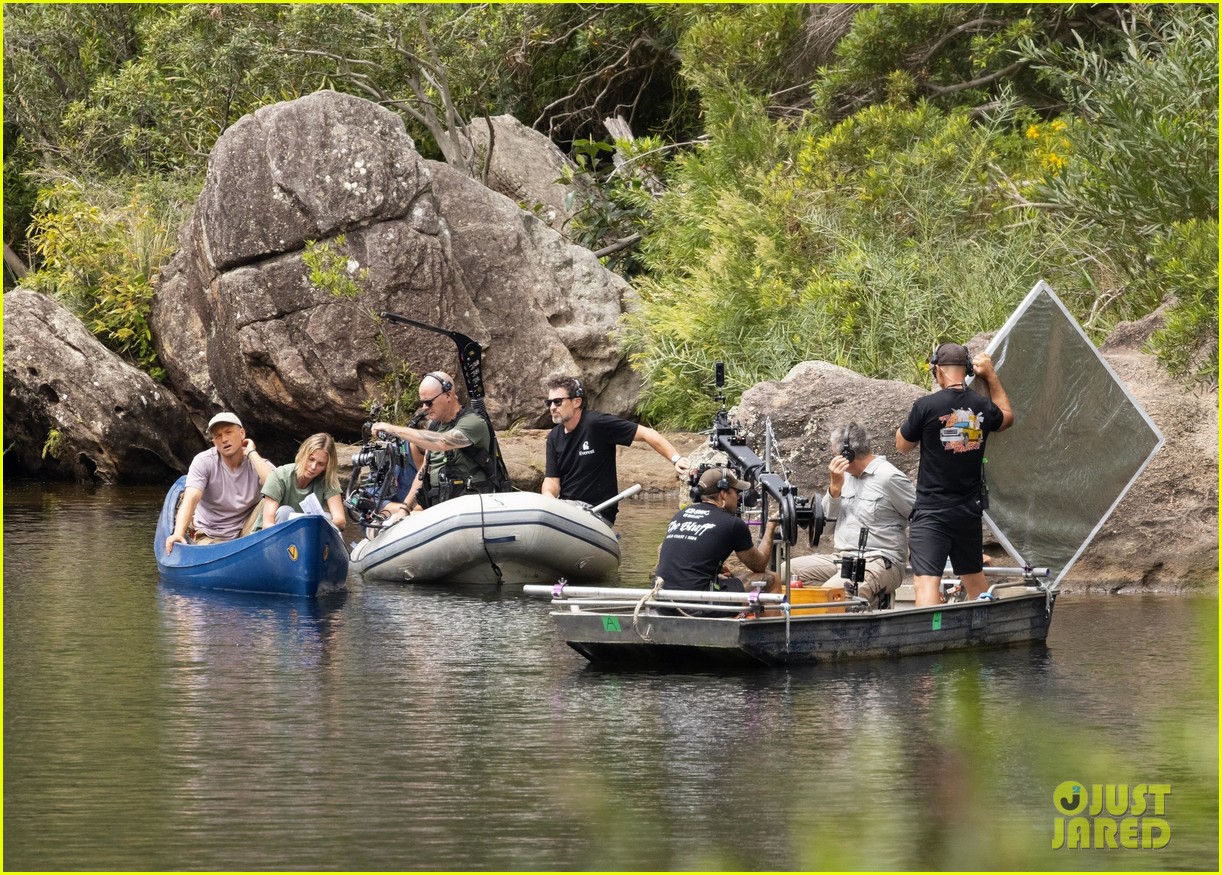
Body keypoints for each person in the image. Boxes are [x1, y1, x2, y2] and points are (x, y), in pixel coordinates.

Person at [896, 342, 1014, 606]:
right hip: (967, 511)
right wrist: (991, 376)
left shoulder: (926, 406)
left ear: (938, 370)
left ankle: (932, 635)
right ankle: (985, 627)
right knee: (973, 575)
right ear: (968, 370)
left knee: (925, 580)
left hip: (932, 511)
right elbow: (1007, 417)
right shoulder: (981, 405)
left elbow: (902, 446)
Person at [789, 422, 916, 609]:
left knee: (831, 598)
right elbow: (825, 529)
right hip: (841, 558)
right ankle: (868, 598)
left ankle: (865, 599)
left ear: (846, 454)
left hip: (880, 560)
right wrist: (834, 490)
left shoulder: (889, 477)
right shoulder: (842, 478)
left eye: (834, 452)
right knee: (784, 573)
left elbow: (920, 516)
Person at [542, 375, 692, 524]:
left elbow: (647, 433)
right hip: (568, 510)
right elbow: (551, 481)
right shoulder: (554, 437)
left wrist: (676, 459)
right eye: (549, 402)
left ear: (576, 402)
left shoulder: (597, 424)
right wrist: (549, 500)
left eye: (558, 402)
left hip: (598, 512)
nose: (552, 407)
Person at [371, 371, 496, 520]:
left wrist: (393, 429)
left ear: (448, 395)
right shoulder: (434, 426)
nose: (424, 407)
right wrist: (405, 509)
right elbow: (424, 471)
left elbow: (442, 442)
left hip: (470, 508)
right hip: (440, 506)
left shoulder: (473, 422)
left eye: (429, 402)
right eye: (422, 402)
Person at [653, 467, 780, 594]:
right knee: (772, 579)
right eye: (736, 492)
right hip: (697, 604)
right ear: (723, 494)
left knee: (728, 576)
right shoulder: (732, 523)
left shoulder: (680, 515)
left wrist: (716, 572)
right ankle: (780, 614)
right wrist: (770, 526)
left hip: (663, 598)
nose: (739, 498)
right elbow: (759, 565)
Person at [164, 412, 275, 553]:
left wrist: (251, 452)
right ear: (214, 441)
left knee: (273, 500)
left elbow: (276, 487)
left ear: (242, 434)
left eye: (228, 432)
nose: (224, 439)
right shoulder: (204, 461)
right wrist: (178, 533)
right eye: (218, 436)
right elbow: (191, 498)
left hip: (248, 531)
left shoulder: (257, 463)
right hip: (212, 535)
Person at [259, 432, 346, 530]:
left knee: (326, 517)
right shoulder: (279, 475)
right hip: (270, 536)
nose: (313, 467)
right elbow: (267, 524)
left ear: (326, 467)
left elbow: (340, 521)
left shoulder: (327, 480)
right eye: (311, 459)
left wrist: (311, 524)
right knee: (285, 511)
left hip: (306, 535)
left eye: (320, 464)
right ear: (302, 454)